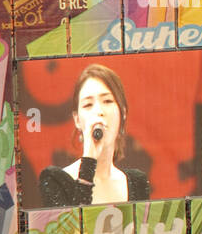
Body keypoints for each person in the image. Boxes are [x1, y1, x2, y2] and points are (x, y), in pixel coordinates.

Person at [38, 63, 151, 207]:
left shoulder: (137, 182)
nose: (99, 111)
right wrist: (89, 160)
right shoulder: (55, 180)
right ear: (77, 120)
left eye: (107, 101)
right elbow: (76, 220)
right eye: (88, 105)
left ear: (122, 113)